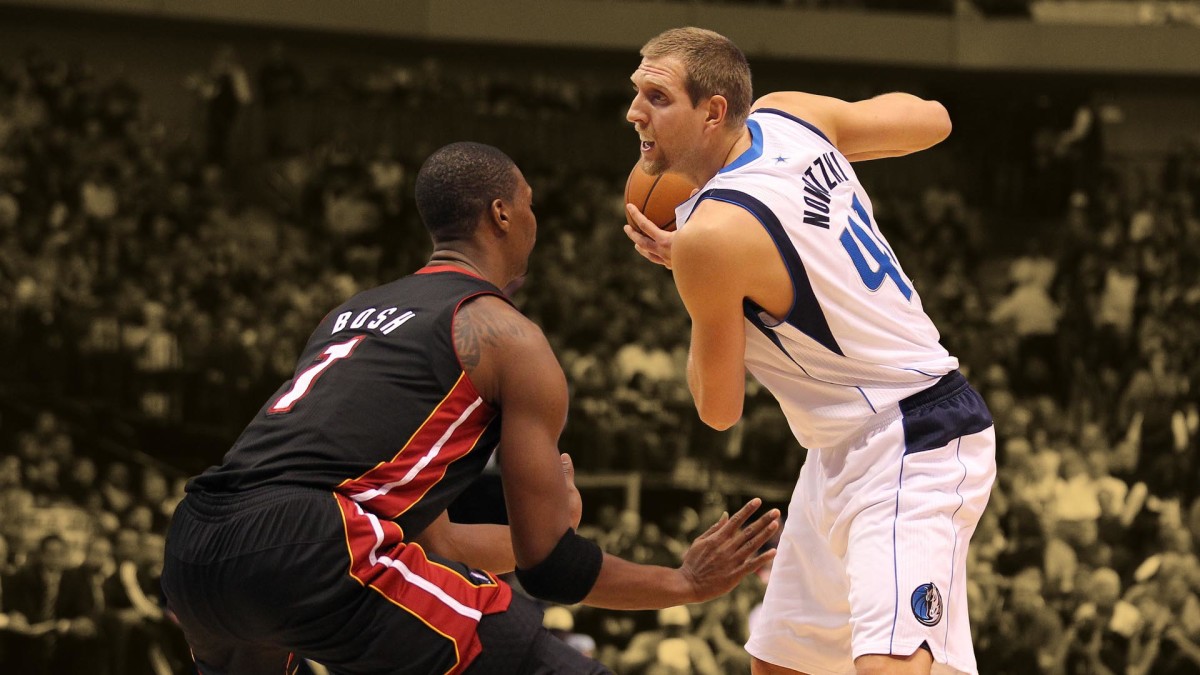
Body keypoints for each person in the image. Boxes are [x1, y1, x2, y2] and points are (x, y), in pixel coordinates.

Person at [161, 141, 780, 675]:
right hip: (312, 542)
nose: (536, 221)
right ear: (502, 214)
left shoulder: (348, 315)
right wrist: (682, 582)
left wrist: (529, 534)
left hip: (195, 547)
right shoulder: (507, 337)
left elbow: (437, 543)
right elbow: (552, 571)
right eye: (531, 205)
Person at [623, 27, 997, 675]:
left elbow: (717, 409)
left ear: (712, 112)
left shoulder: (711, 234)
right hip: (839, 446)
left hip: (913, 431)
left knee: (890, 666)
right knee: (781, 665)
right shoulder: (789, 114)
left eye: (656, 97)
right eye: (637, 92)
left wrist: (697, 278)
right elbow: (934, 120)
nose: (634, 112)